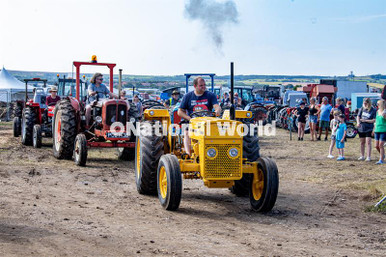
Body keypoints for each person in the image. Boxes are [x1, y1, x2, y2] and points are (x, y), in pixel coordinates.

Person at [178, 77, 221, 156]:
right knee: (187, 132)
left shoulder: (210, 95)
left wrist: (217, 110)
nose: (203, 87)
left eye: (204, 85)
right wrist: (189, 119)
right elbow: (180, 112)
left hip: (207, 122)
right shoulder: (188, 96)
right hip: (193, 122)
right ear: (195, 86)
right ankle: (188, 154)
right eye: (201, 85)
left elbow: (216, 106)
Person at [373, 99, 386, 164]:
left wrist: (384, 116)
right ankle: (382, 155)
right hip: (377, 129)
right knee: (376, 146)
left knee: (381, 145)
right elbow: (376, 121)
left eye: (378, 104)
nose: (377, 105)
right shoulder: (377, 111)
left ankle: (381, 160)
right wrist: (373, 129)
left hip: (383, 129)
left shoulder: (385, 112)